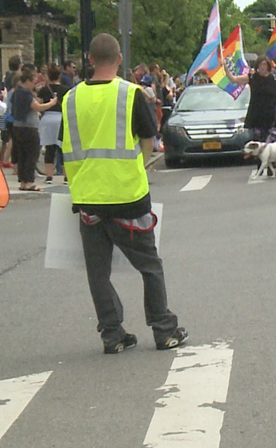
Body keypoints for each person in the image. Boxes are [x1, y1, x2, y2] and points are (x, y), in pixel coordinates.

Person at [61, 33, 187, 354]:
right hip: (127, 197)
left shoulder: (70, 98)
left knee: (98, 272)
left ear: (89, 60)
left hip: (88, 200)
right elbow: (148, 138)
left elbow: (65, 146)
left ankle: (112, 334)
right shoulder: (130, 95)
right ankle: (163, 329)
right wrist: (141, 167)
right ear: (119, 59)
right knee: (149, 265)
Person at [10, 72, 56, 191]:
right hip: (29, 127)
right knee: (32, 154)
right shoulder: (25, 94)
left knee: (22, 155)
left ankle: (23, 181)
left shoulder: (16, 93)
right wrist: (52, 103)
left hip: (17, 126)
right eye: (33, 82)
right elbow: (38, 107)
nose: (34, 85)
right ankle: (29, 181)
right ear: (27, 81)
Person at [226, 56, 276, 144]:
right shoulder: (252, 77)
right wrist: (225, 69)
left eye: (264, 64)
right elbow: (234, 79)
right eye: (260, 64)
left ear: (268, 65)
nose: (262, 67)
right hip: (255, 115)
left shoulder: (274, 78)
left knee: (269, 143)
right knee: (254, 143)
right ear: (257, 66)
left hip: (270, 115)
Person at [37, 64, 70, 184]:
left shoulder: (44, 90)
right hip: (61, 118)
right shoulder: (66, 89)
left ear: (48, 76)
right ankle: (66, 177)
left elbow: (39, 104)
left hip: (48, 118)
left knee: (49, 148)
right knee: (63, 148)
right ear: (59, 76)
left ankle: (49, 176)